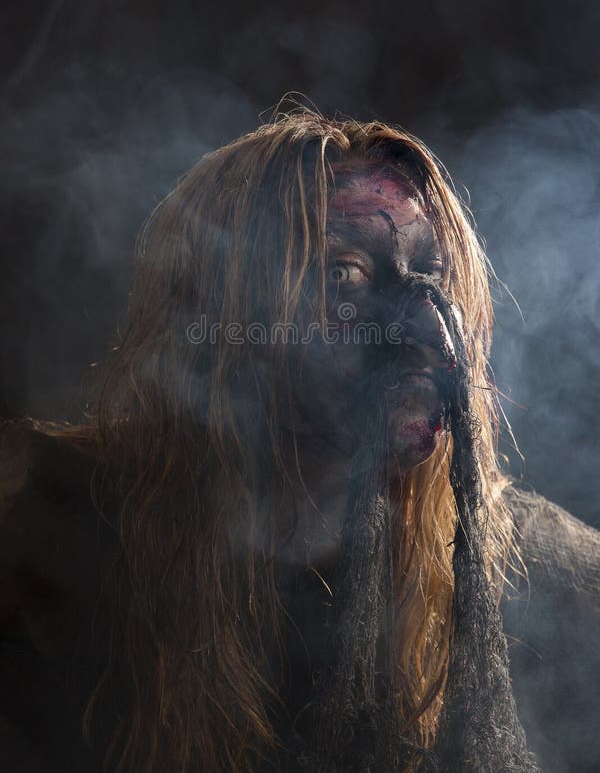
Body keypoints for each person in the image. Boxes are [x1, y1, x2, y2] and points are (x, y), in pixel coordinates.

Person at [0, 110, 598, 773]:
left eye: (436, 279)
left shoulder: (527, 565)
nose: (433, 334)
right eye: (344, 274)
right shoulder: (49, 531)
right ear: (223, 312)